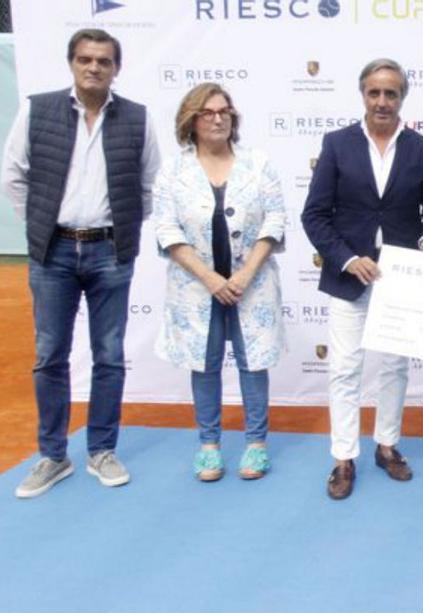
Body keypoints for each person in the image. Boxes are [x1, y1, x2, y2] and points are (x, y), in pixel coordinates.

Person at [2, 29, 160, 498]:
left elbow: (148, 185)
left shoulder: (137, 117)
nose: (94, 67)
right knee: (50, 354)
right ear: (72, 63)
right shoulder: (37, 110)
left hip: (109, 251)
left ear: (116, 68)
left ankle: (102, 451)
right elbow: (14, 176)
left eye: (103, 61)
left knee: (108, 354)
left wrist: (119, 229)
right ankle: (53, 455)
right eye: (86, 59)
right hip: (52, 252)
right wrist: (41, 226)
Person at [302, 58, 423, 500]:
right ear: (363, 94)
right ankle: (344, 457)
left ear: (403, 97)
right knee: (345, 369)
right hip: (349, 278)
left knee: (395, 368)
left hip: (400, 279)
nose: (382, 101)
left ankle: (387, 446)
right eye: (375, 93)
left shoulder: (421, 148)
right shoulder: (337, 144)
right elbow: (314, 215)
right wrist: (347, 259)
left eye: (391, 93)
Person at [152, 83, 287, 482]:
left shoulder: (258, 164)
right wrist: (210, 278)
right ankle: (208, 446)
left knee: (253, 364)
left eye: (224, 111)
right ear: (191, 121)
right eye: (208, 113)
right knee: (204, 364)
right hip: (196, 285)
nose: (218, 119)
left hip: (252, 283)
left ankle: (256, 443)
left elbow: (275, 219)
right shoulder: (172, 171)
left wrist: (245, 274)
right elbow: (166, 228)